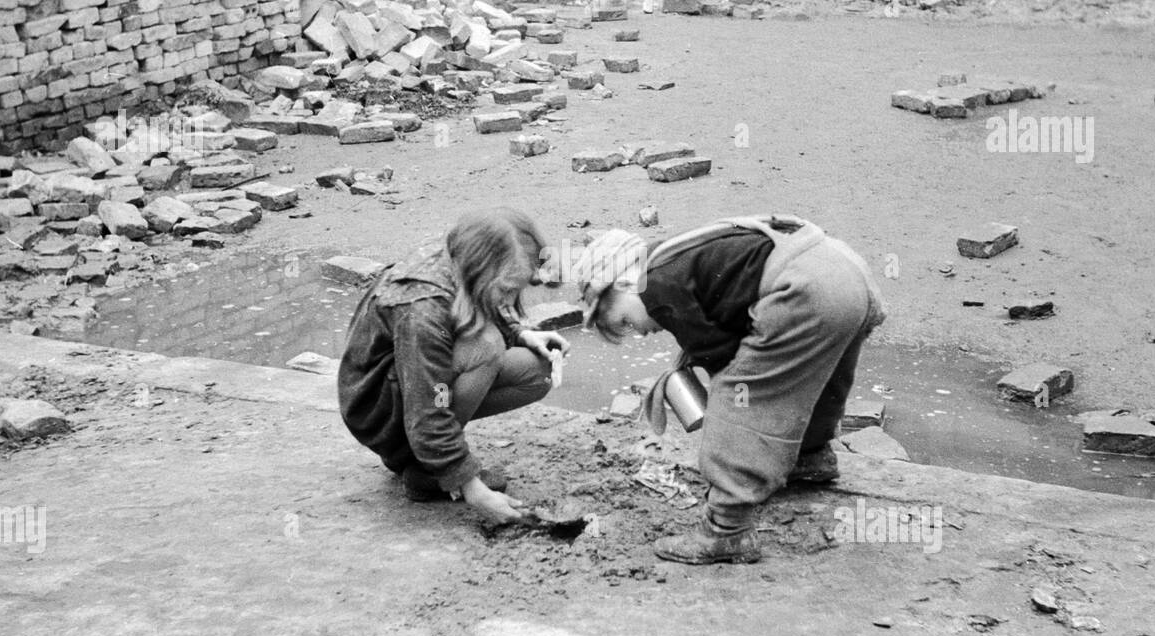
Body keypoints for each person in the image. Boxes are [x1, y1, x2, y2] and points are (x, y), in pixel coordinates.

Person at [573, 213, 886, 564]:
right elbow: (731, 314)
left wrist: (718, 396)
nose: (642, 332)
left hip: (806, 291)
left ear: (624, 284)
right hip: (842, 272)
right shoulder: (678, 254)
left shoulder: (652, 286)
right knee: (815, 372)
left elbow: (726, 362)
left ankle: (728, 528)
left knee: (740, 394)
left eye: (626, 322)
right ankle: (811, 455)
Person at [338, 207, 570, 525]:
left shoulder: (462, 252)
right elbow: (427, 408)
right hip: (381, 409)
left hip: (412, 386)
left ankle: (432, 460)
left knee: (536, 371)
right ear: (479, 269)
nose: (512, 297)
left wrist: (522, 333)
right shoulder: (421, 309)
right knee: (487, 346)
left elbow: (477, 304)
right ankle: (425, 469)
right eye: (506, 289)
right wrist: (474, 489)